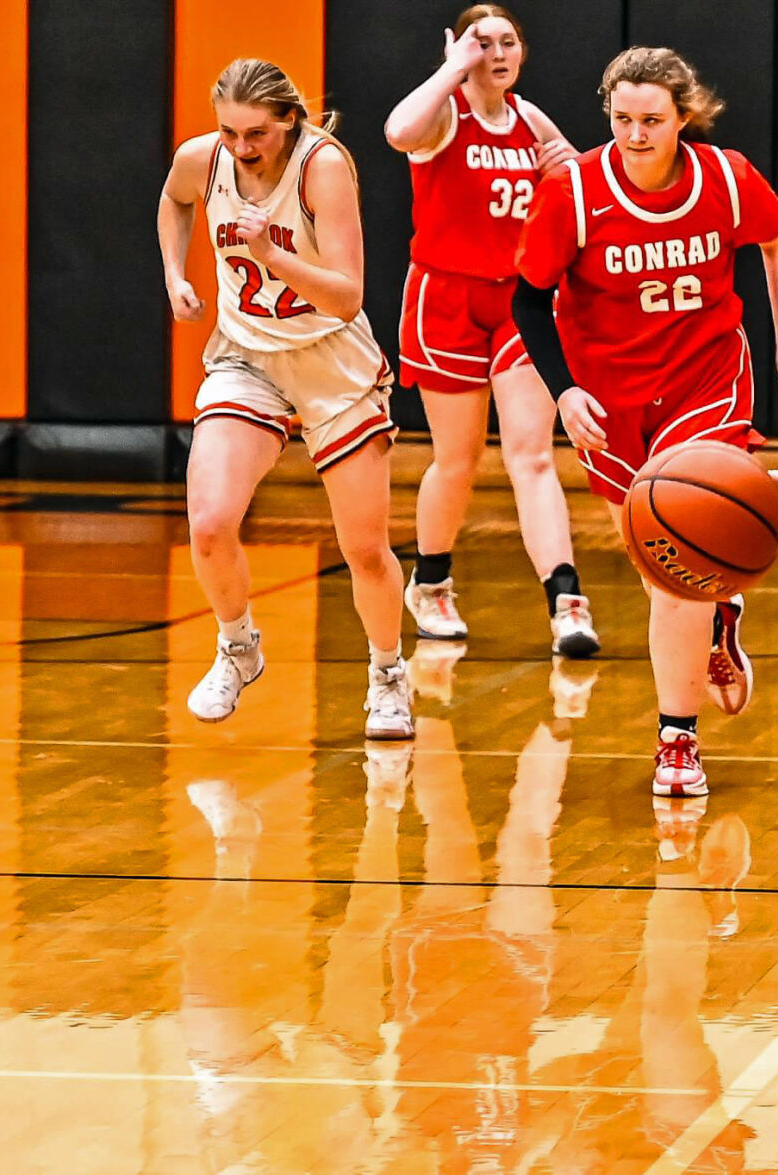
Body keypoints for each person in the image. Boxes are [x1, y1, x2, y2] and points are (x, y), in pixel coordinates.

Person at [512, 46, 778, 797]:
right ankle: (718, 613)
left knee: (677, 572)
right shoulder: (574, 191)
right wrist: (563, 392)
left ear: (684, 116)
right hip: (610, 400)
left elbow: (777, 242)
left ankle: (676, 739)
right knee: (660, 563)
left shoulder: (725, 178)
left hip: (704, 380)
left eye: (651, 119)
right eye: (621, 119)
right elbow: (526, 300)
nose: (636, 134)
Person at [157, 58, 413, 738]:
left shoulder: (323, 167)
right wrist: (174, 276)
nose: (242, 148)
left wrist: (273, 255)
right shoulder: (204, 158)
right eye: (230, 132)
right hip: (247, 354)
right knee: (210, 523)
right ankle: (238, 646)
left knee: (363, 548)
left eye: (257, 134)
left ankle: (387, 671)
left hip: (332, 361)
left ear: (290, 121)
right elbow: (174, 198)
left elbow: (347, 293)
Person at [385, 4, 599, 659]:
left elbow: (586, 183)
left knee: (532, 453)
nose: (496, 52)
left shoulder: (531, 121)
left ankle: (566, 602)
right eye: (483, 42)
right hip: (443, 297)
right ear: (462, 49)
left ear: (522, 52)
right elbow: (397, 131)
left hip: (518, 303)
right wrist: (452, 70)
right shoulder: (446, 114)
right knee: (458, 458)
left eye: (507, 41)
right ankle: (431, 581)